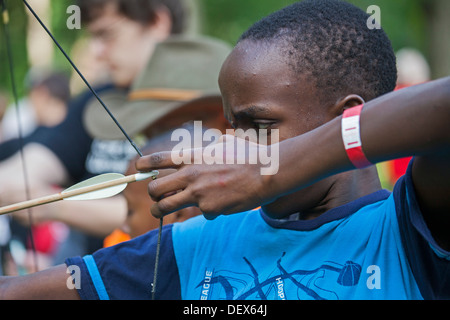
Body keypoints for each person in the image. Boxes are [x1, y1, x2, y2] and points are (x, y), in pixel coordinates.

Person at [1, 0, 449, 300]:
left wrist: (273, 170)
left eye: (260, 124)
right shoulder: (195, 243)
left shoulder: (407, 230)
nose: (233, 144)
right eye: (231, 125)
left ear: (347, 114)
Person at [0, 0, 187, 264]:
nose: (97, 51)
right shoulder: (98, 100)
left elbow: (165, 212)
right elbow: (30, 166)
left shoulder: (203, 106)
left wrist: (55, 204)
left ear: (157, 22)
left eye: (107, 34)